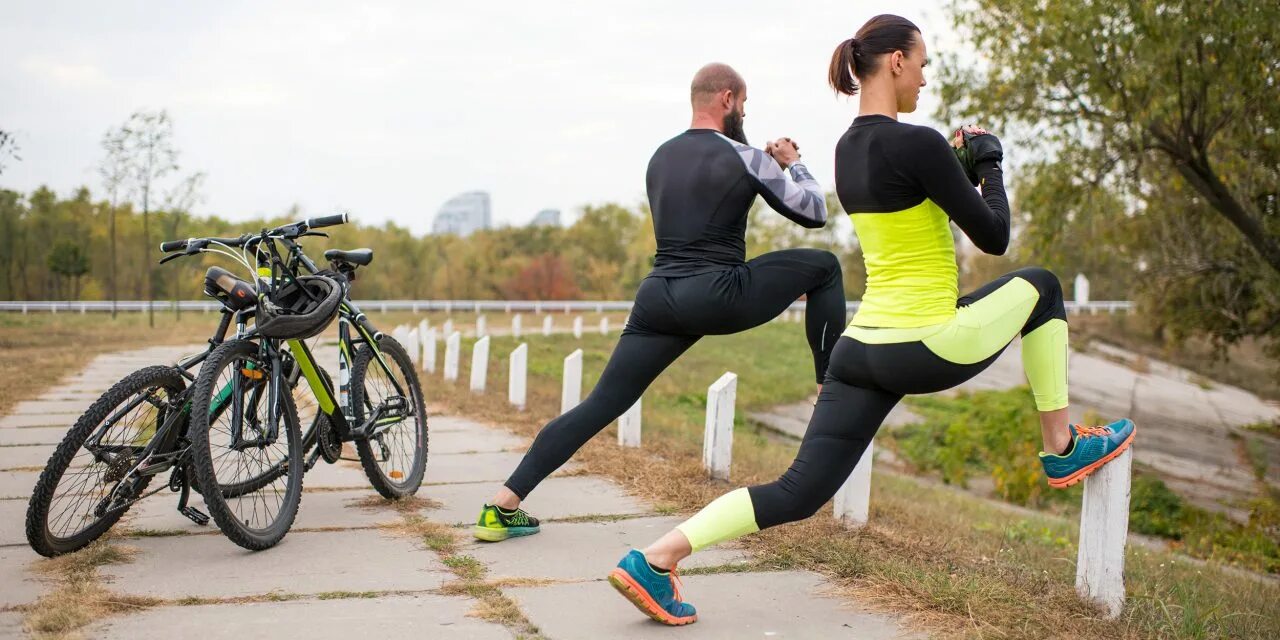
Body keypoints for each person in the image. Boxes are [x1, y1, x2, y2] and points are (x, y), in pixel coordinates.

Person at [608, 15, 1136, 626]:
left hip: (861, 352)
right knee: (1042, 287)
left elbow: (915, 204)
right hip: (924, 342)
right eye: (923, 63)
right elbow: (993, 235)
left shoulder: (847, 150)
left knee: (797, 492)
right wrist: (989, 164)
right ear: (895, 62)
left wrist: (956, 167)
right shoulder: (918, 142)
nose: (925, 78)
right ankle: (1061, 446)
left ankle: (656, 558)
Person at [473, 62, 847, 543]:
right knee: (825, 267)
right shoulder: (747, 156)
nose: (744, 114)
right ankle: (827, 387)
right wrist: (793, 161)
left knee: (599, 404)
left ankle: (502, 506)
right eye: (744, 105)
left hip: (658, 297)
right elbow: (813, 211)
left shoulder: (659, 157)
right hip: (717, 293)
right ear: (727, 99)